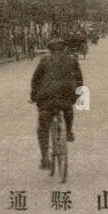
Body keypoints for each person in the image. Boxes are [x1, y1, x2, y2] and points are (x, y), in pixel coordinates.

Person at [30, 37, 83, 170]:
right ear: (64, 48)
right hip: (66, 96)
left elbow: (36, 80)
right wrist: (77, 96)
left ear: (50, 50)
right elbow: (79, 80)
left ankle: (45, 159)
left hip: (47, 98)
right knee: (68, 110)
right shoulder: (72, 60)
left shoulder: (44, 60)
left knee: (42, 128)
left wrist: (33, 96)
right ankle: (69, 132)